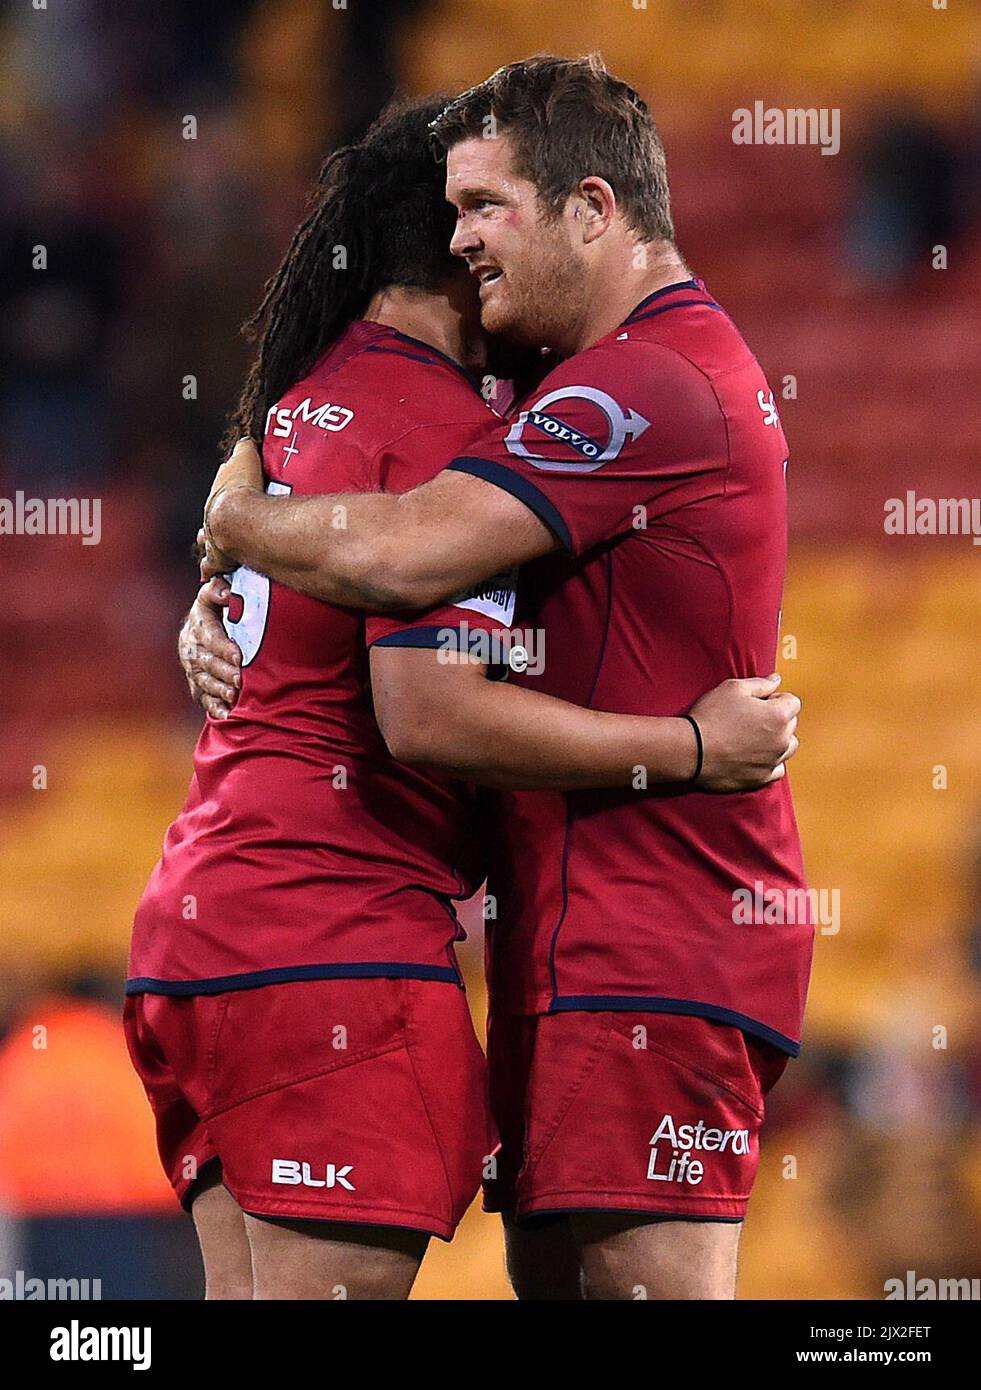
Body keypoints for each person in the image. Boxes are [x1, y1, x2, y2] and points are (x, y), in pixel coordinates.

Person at [131, 94, 800, 1302]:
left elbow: (391, 565)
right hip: (385, 943)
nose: (472, 236)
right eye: (455, 213)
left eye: (488, 206)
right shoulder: (466, 416)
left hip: (603, 944)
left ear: (591, 211)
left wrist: (234, 511)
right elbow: (415, 669)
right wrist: (693, 744)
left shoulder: (337, 402)